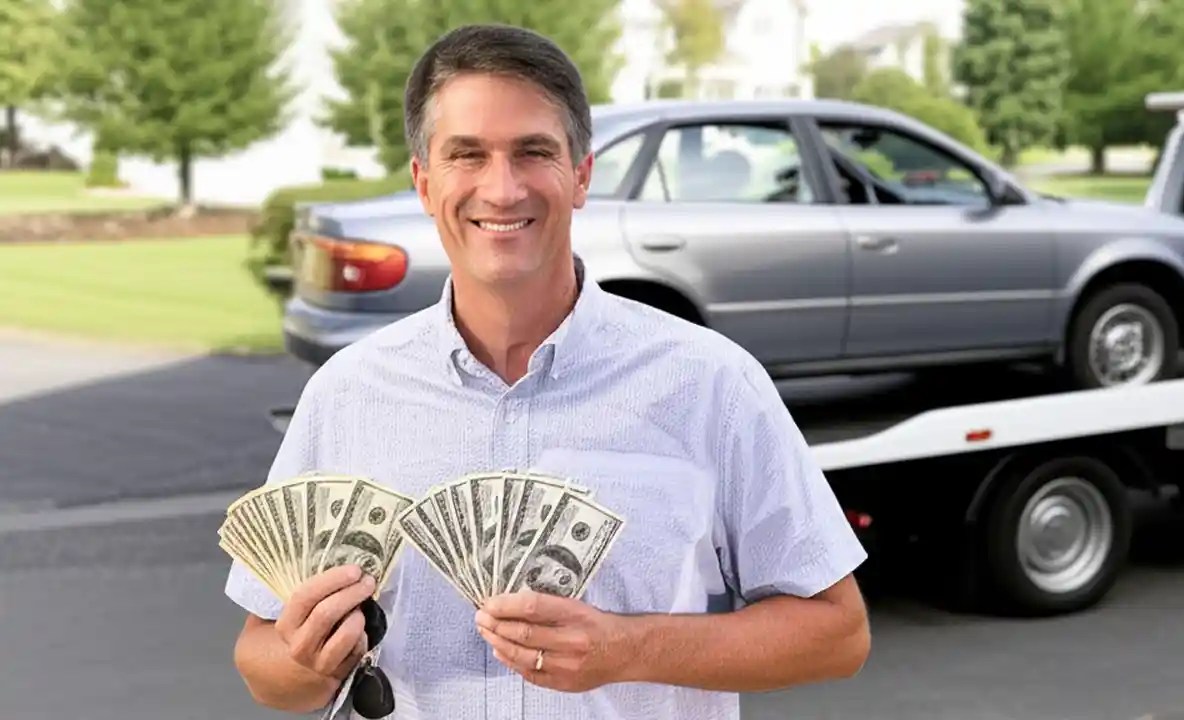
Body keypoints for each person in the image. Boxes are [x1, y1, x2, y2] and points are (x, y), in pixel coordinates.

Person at [225, 23, 871, 719]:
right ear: (423, 181)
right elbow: (262, 665)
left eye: (533, 152)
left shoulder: (709, 383)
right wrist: (304, 660)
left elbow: (837, 633)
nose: (501, 190)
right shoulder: (347, 394)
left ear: (582, 175)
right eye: (466, 155)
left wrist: (630, 649)